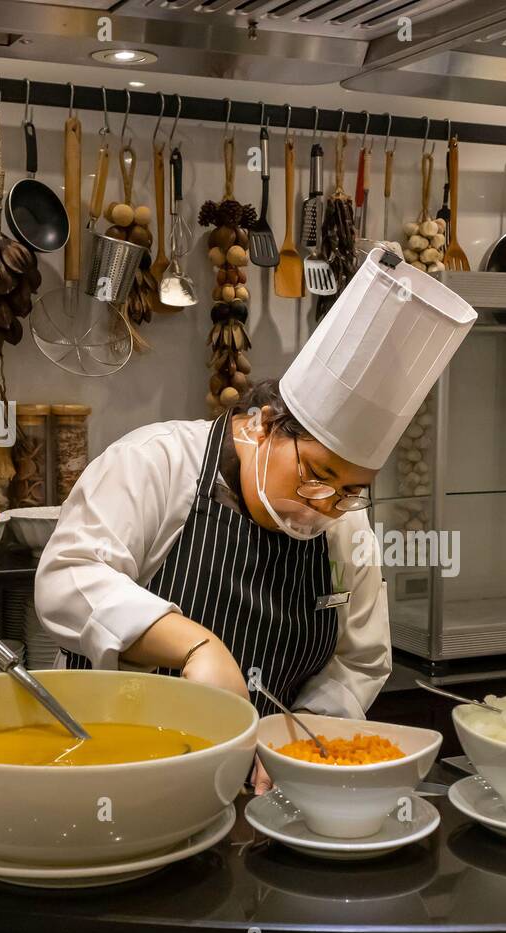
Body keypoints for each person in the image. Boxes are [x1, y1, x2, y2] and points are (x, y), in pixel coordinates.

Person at [35, 247, 476, 728]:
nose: (326, 505)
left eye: (351, 489)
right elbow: (67, 582)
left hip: (258, 778)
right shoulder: (155, 461)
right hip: (113, 757)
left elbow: (359, 660)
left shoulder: (344, 523)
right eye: (318, 474)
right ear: (266, 425)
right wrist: (194, 645)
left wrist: (299, 733)